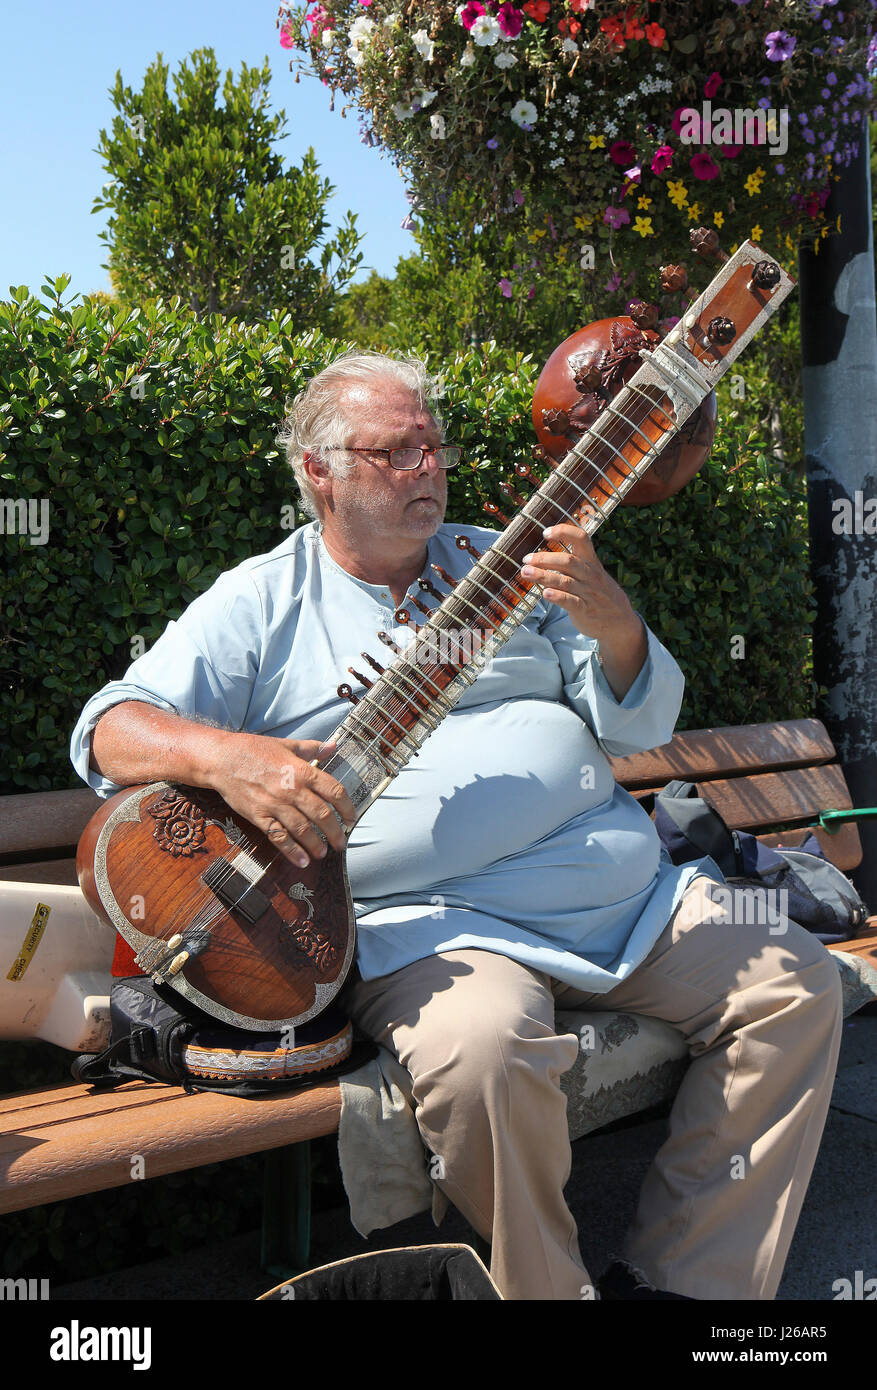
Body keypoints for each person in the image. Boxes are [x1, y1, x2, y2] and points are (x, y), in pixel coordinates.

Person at [70, 349, 843, 1302]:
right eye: (393, 453)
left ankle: (688, 1288)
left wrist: (614, 624)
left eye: (431, 448)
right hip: (436, 927)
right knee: (482, 1054)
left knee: (795, 981)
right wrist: (236, 759)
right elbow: (109, 728)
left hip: (624, 899)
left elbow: (638, 726)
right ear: (319, 471)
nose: (425, 469)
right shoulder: (264, 600)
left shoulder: (503, 562)